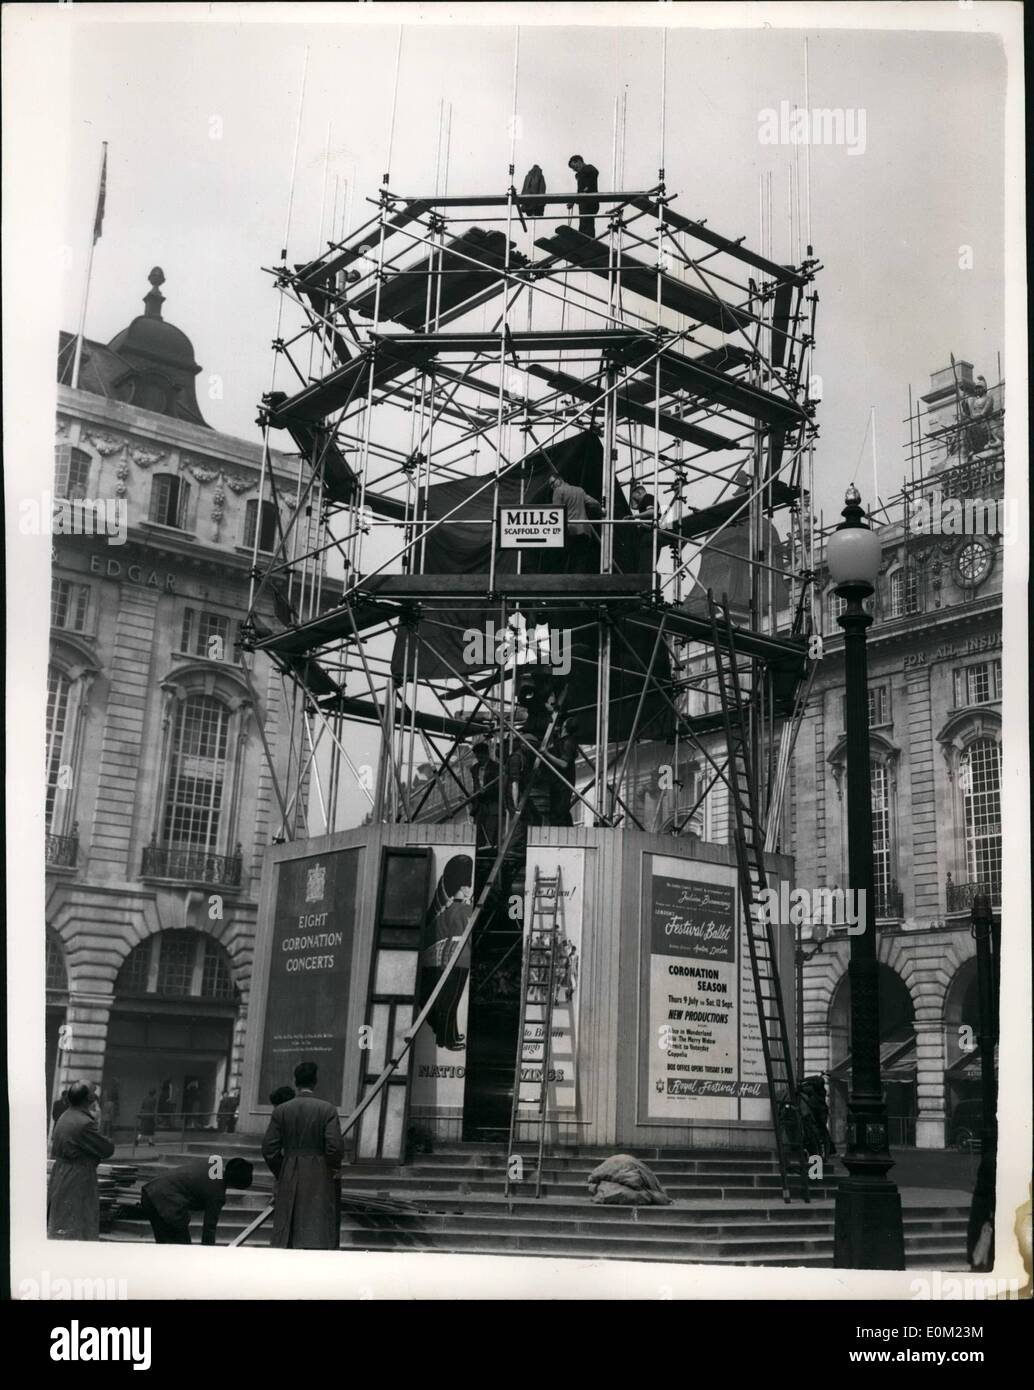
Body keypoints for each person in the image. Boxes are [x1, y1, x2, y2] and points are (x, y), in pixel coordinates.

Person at [261, 1062, 344, 1250]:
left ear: (295, 1082)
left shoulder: (281, 1110)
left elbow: (269, 1149)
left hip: (289, 1170)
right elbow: (334, 1147)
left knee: (288, 1232)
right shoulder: (327, 1109)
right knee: (318, 1230)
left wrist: (283, 1170)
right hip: (320, 1174)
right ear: (315, 1082)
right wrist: (331, 1168)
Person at [418, 856, 475, 1051]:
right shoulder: (464, 910)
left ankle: (448, 1035)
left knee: (449, 1001)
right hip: (459, 961)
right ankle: (447, 1038)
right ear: (464, 887)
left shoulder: (450, 909)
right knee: (451, 1002)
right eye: (468, 884)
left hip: (451, 961)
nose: (470, 888)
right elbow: (460, 940)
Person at [47, 1081, 116, 1240]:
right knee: (79, 1222)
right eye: (93, 1095)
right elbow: (107, 1149)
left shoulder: (66, 1115)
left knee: (62, 1221)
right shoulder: (85, 1122)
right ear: (89, 1099)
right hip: (78, 1176)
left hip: (62, 1173)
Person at [140, 1156, 253, 1246]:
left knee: (165, 1247)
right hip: (165, 1200)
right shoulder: (217, 1193)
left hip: (150, 1192)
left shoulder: (211, 1168)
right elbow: (209, 1228)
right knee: (182, 1250)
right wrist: (207, 1255)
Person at [550, 473, 601, 573]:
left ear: (559, 479)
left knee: (564, 561)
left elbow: (555, 513)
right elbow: (595, 503)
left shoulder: (558, 491)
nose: (552, 486)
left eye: (552, 483)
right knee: (580, 562)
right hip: (584, 531)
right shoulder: (580, 490)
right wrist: (601, 511)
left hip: (568, 531)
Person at [566, 154, 600, 238]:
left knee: (587, 225)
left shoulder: (589, 169)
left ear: (579, 161)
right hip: (584, 203)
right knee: (584, 224)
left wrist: (587, 189)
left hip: (589, 202)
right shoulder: (583, 173)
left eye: (574, 167)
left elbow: (595, 172)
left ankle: (587, 241)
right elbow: (580, 191)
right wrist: (574, 200)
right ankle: (584, 240)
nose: (574, 170)